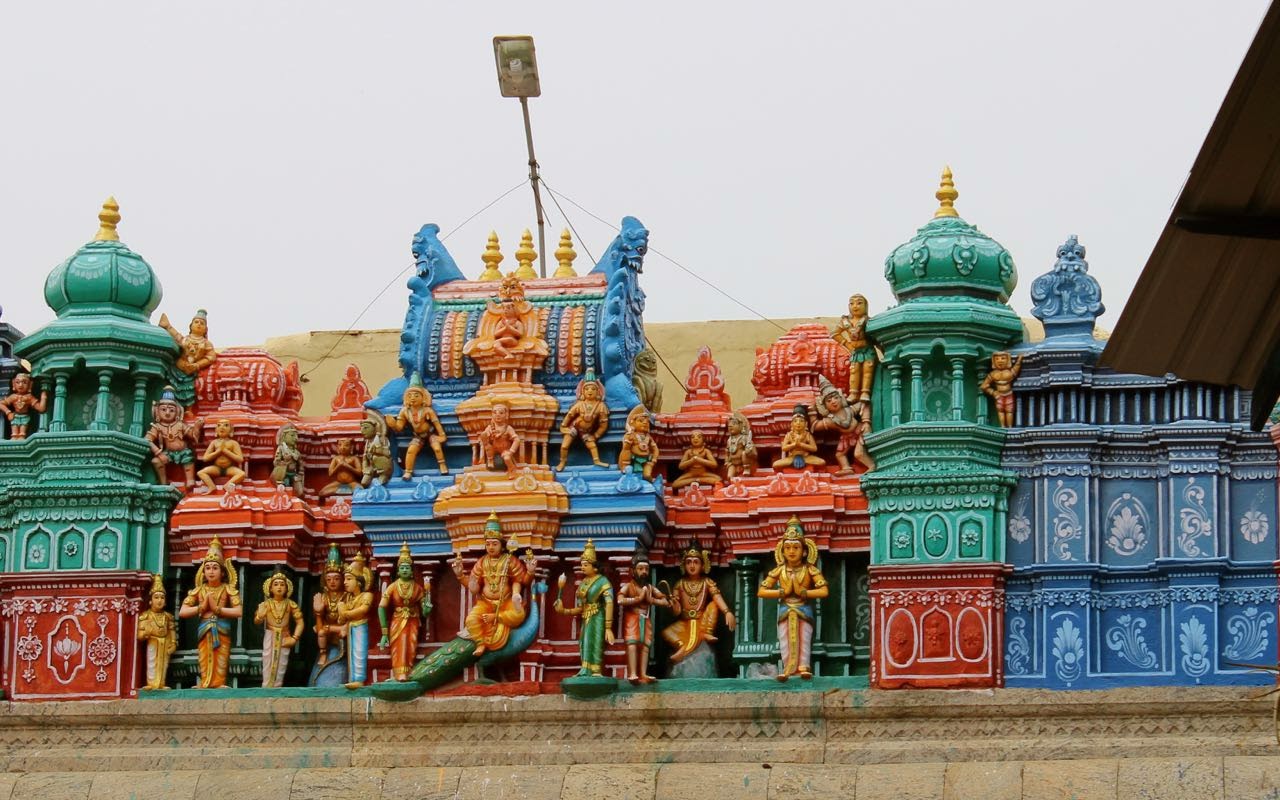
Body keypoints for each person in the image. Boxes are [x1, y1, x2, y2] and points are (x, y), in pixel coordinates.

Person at [757, 516, 829, 681]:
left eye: (796, 547)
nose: (791, 551)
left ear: (804, 551)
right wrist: (782, 593)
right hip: (785, 609)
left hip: (803, 608)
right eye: (787, 547)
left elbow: (824, 590)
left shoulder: (809, 569)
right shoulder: (779, 570)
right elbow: (761, 591)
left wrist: (805, 593)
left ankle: (804, 666)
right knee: (784, 639)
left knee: (804, 637)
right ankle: (787, 667)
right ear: (782, 551)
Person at [451, 512, 530, 658]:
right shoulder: (482, 562)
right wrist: (460, 575)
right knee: (471, 620)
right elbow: (473, 586)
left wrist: (517, 592)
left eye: (494, 544)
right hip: (486, 603)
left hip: (505, 602)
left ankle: (497, 617)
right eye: (488, 544)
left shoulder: (509, 560)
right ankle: (480, 643)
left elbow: (519, 580)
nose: (491, 547)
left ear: (502, 545)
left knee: (518, 615)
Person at [179, 536, 241, 688]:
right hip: (204, 628)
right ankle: (205, 682)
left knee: (221, 657)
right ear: (203, 571)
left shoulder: (228, 589)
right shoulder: (199, 590)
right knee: (204, 656)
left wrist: (217, 609)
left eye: (215, 568)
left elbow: (238, 611)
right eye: (208, 568)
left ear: (223, 572)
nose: (211, 571)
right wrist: (201, 608)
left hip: (221, 628)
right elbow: (182, 612)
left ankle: (218, 683)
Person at [661, 545, 735, 665]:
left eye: (696, 562)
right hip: (685, 622)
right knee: (666, 632)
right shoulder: (680, 584)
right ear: (684, 565)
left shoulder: (707, 582)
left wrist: (727, 611)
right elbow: (676, 612)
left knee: (713, 605)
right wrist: (673, 603)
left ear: (702, 565)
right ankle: (681, 645)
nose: (692, 566)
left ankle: (706, 633)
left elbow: (716, 596)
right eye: (688, 562)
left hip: (702, 621)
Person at [554, 539, 615, 677]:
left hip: (598, 615)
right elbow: (580, 608)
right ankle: (585, 668)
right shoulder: (583, 583)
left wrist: (608, 627)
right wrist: (564, 611)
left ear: (594, 567)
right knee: (584, 642)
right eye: (582, 565)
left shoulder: (602, 581)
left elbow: (609, 603)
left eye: (585, 565)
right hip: (586, 617)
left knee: (596, 640)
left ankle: (596, 670)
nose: (582, 567)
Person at [378, 544, 431, 681]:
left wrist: (427, 609)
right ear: (398, 571)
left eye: (407, 567)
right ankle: (399, 673)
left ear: (412, 570)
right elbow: (381, 607)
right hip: (398, 620)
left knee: (411, 644)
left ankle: (408, 671)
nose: (405, 570)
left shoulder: (418, 588)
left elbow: (424, 611)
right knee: (399, 645)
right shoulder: (393, 587)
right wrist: (384, 632)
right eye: (402, 567)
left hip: (413, 620)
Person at [617, 546, 667, 684]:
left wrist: (651, 600)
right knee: (632, 644)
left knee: (645, 646)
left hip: (646, 618)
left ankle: (643, 673)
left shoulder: (650, 588)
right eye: (640, 569)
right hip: (632, 618)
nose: (644, 572)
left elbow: (665, 601)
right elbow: (620, 599)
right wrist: (637, 599)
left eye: (646, 569)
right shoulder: (629, 586)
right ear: (633, 571)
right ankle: (633, 673)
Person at [385, 372, 447, 478]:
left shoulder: (427, 410)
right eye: (410, 395)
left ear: (423, 398)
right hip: (418, 436)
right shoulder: (405, 411)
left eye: (416, 395)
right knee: (411, 451)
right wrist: (393, 424)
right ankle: (408, 471)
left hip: (430, 434)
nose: (413, 398)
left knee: (437, 448)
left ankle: (442, 465)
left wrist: (442, 435)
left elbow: (436, 424)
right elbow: (399, 427)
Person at [255, 569, 304, 688]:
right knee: (267, 659)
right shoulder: (266, 604)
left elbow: (300, 622)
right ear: (270, 588)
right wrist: (260, 616)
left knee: (282, 662)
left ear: (287, 588)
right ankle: (266, 685)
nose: (279, 587)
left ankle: (277, 685)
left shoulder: (291, 604)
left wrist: (294, 638)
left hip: (284, 635)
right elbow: (257, 621)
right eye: (275, 584)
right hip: (270, 635)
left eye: (282, 584)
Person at [144, 385, 200, 488]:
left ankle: (190, 480)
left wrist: (196, 427)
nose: (168, 413)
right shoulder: (157, 427)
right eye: (163, 410)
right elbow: (147, 440)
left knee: (188, 460)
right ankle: (163, 482)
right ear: (157, 412)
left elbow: (192, 436)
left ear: (177, 412)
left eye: (171, 410)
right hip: (168, 453)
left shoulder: (180, 425)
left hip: (183, 451)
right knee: (155, 461)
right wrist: (159, 453)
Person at [336, 553, 374, 690]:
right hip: (351, 627)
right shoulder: (348, 599)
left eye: (348, 579)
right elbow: (341, 619)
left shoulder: (367, 595)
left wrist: (345, 612)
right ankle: (352, 678)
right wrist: (341, 609)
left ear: (358, 581)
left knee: (359, 653)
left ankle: (359, 678)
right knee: (351, 654)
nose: (344, 582)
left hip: (361, 627)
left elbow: (363, 610)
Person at [556, 371, 609, 470]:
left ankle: (597, 461)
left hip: (587, 432)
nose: (590, 391)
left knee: (592, 446)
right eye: (587, 389)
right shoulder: (579, 404)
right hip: (574, 427)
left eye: (593, 389)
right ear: (582, 391)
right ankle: (562, 462)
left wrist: (594, 436)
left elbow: (603, 426)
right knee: (564, 446)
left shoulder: (601, 406)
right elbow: (569, 416)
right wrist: (564, 427)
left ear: (598, 392)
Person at [831, 293, 876, 403]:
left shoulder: (868, 321)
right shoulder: (845, 321)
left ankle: (865, 392)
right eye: (852, 303)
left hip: (867, 349)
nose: (855, 306)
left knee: (867, 370)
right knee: (854, 370)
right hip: (855, 351)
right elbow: (834, 334)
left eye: (859, 303)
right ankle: (853, 393)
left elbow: (876, 336)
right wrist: (846, 344)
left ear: (866, 306)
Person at [137, 574, 177, 691]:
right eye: (156, 597)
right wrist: (146, 634)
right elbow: (140, 635)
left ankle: (161, 683)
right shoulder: (146, 616)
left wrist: (173, 643)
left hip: (165, 642)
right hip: (152, 642)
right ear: (150, 601)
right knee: (151, 662)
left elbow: (172, 630)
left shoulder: (168, 616)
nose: (159, 600)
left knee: (163, 664)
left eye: (162, 598)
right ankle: (151, 683)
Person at [312, 545, 349, 669]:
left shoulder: (347, 596)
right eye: (329, 579)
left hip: (343, 629)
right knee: (321, 632)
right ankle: (323, 653)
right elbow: (319, 626)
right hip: (327, 632)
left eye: (336, 579)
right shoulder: (323, 597)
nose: (332, 582)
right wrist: (318, 613)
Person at [195, 419, 247, 493]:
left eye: (226, 425)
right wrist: (218, 452)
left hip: (229, 468)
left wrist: (226, 451)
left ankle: (227, 485)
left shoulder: (233, 443)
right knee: (200, 473)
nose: (222, 427)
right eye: (219, 425)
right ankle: (211, 486)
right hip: (217, 468)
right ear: (216, 430)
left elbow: (240, 459)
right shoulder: (214, 442)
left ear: (231, 430)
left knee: (242, 474)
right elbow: (205, 458)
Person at [980, 351, 1024, 427]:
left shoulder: (1009, 373)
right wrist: (993, 392)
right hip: (999, 395)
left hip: (1009, 394)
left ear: (1007, 360)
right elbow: (984, 386)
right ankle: (1003, 426)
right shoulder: (993, 374)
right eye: (997, 359)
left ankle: (1009, 427)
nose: (1000, 361)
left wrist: (1019, 359)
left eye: (1003, 358)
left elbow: (1016, 368)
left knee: (1009, 410)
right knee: (1000, 410)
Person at [1, 373, 47, 440]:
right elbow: (1, 404)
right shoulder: (13, 397)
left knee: (22, 435)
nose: (20, 385)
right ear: (13, 384)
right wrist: (8, 412)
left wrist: (43, 398)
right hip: (15, 417)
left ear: (29, 385)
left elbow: (41, 409)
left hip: (25, 417)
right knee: (14, 435)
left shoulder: (29, 398)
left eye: (24, 382)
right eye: (17, 382)